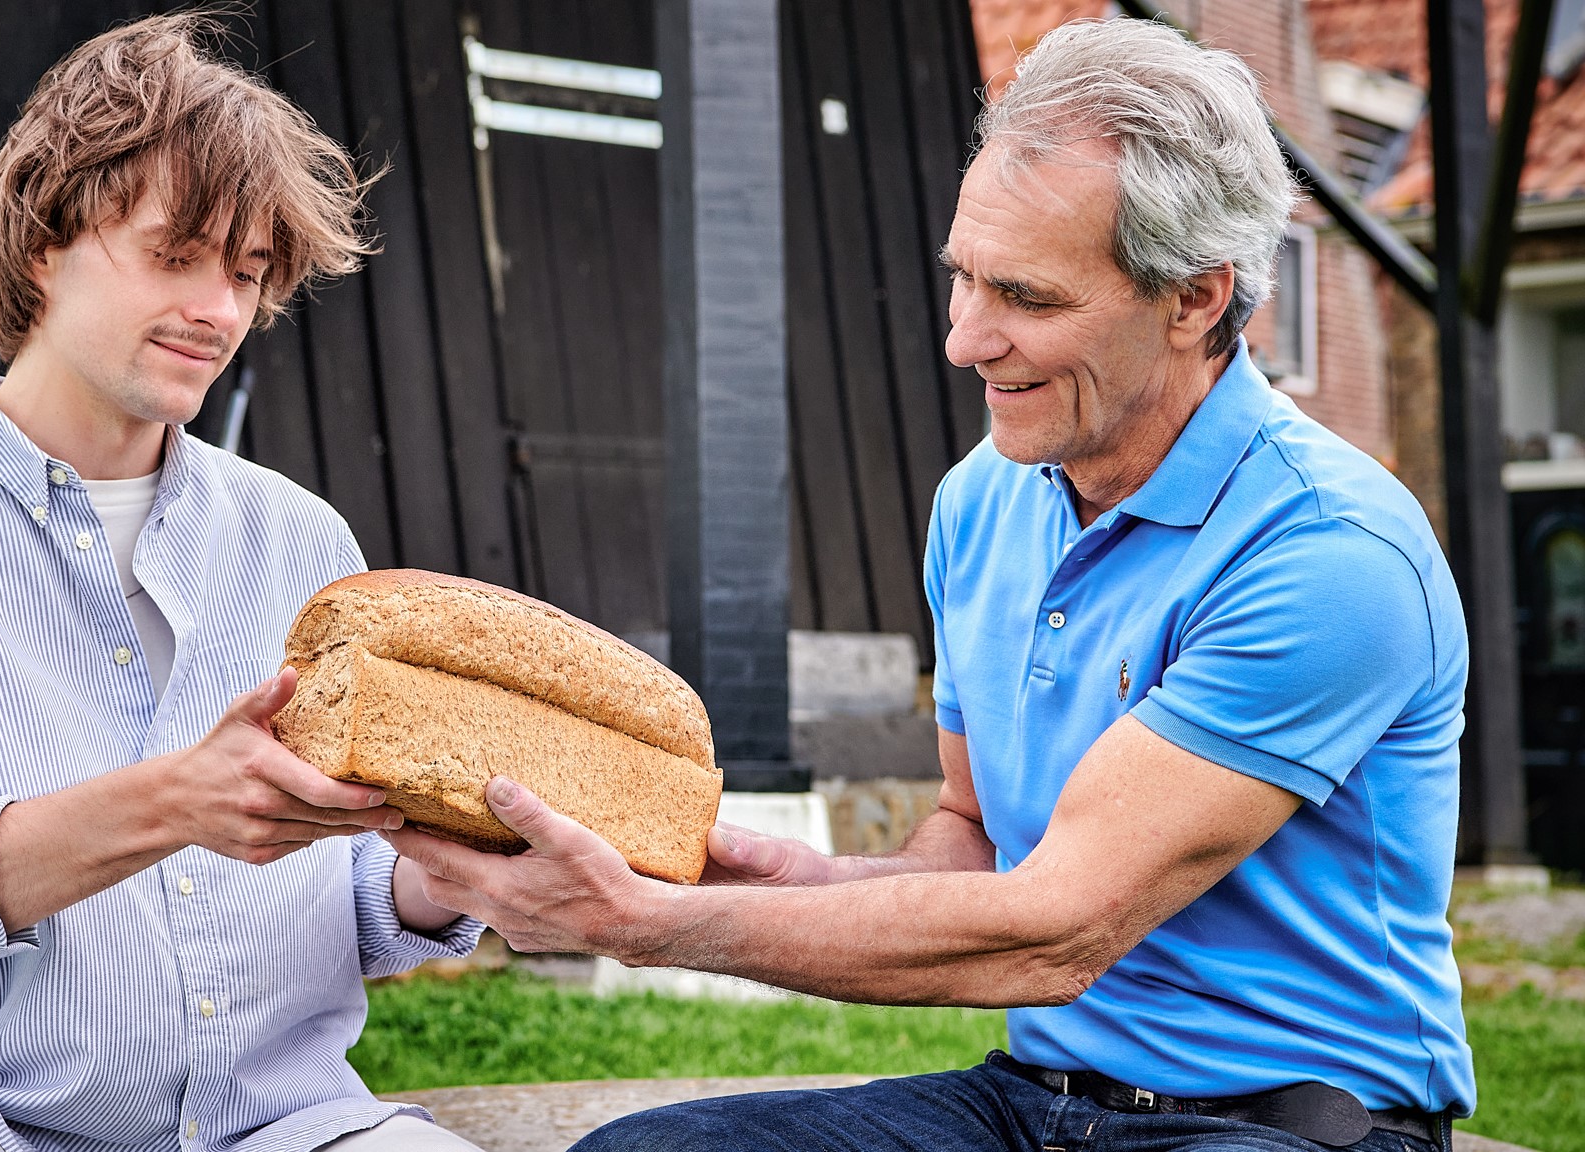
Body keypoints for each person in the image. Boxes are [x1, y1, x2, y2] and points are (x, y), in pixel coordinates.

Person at [387, 18, 1472, 1152]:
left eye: (1027, 299)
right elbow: (971, 835)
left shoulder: (1327, 553)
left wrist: (649, 925)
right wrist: (809, 883)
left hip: (1294, 1127)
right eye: (962, 279)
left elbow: (1054, 933)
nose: (964, 341)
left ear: (1195, 298)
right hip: (1036, 1100)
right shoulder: (983, 499)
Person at [0, 15, 484, 1152]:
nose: (219, 312)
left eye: (247, 274)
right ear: (44, 240)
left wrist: (461, 872)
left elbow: (351, 894)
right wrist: (171, 803)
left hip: (289, 1128)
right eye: (176, 255)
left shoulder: (302, 539)